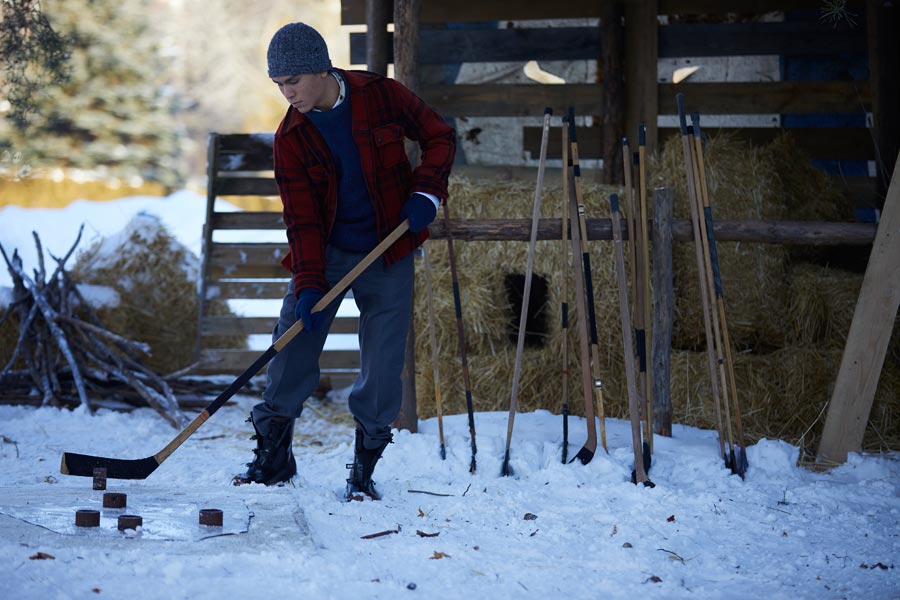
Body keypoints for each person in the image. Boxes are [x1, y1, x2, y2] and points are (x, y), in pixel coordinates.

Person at [237, 22, 456, 500]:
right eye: (278, 84)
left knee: (383, 360)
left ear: (321, 70)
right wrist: (309, 284)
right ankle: (274, 457)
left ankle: (364, 469)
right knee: (293, 341)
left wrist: (427, 191)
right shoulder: (291, 138)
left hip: (389, 245)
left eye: (293, 81)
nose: (287, 93)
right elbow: (302, 220)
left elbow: (440, 136)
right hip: (329, 250)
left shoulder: (381, 96)